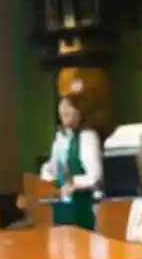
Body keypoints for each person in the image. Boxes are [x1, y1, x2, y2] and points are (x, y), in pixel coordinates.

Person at [40, 95, 102, 230]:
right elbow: (52, 168)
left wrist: (71, 182)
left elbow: (94, 176)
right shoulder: (60, 138)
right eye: (62, 107)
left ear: (80, 112)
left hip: (85, 203)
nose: (64, 111)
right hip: (64, 205)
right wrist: (48, 176)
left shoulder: (88, 137)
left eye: (69, 107)